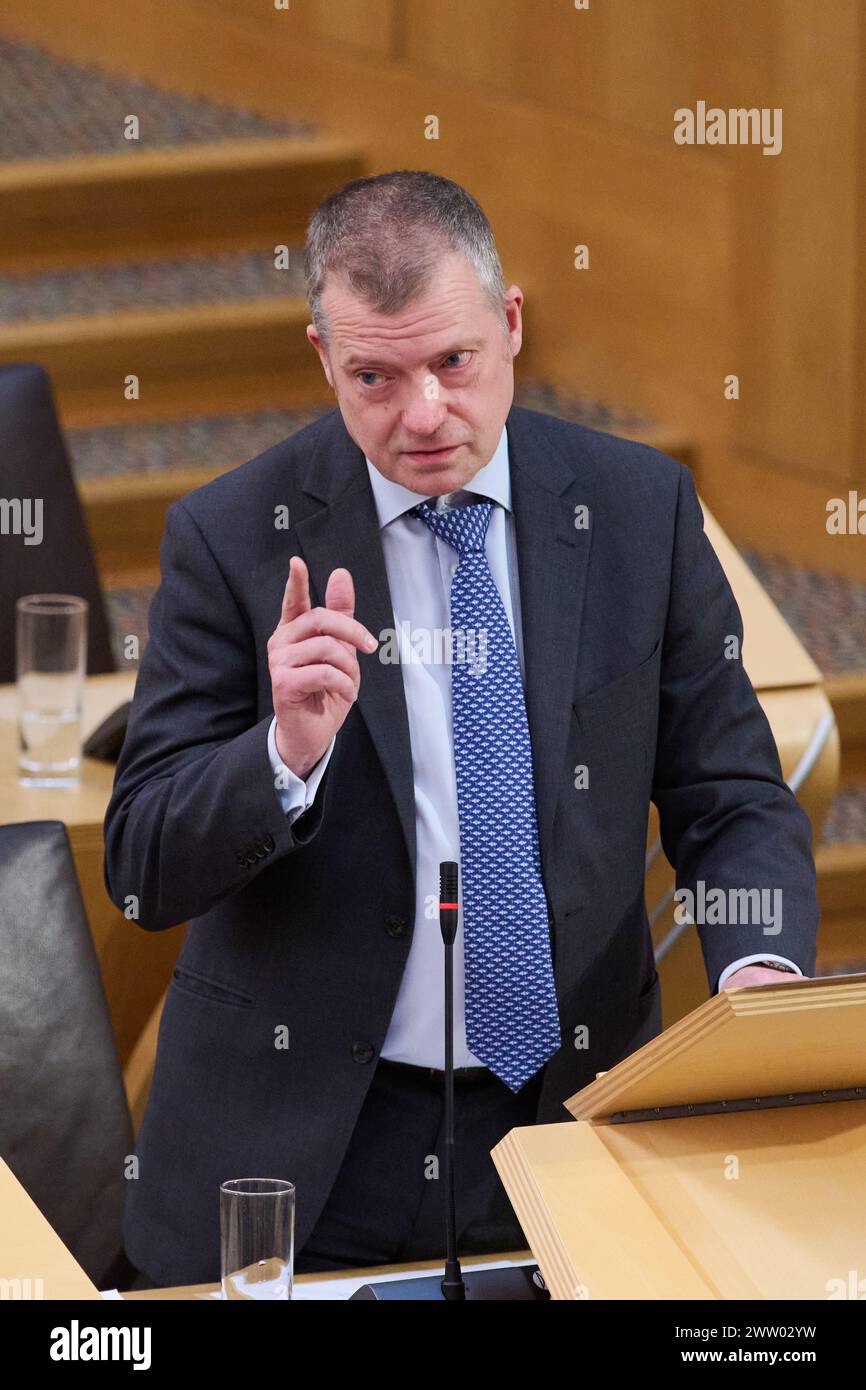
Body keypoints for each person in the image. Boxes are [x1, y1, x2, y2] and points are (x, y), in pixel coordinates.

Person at [103, 170, 818, 1288]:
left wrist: (758, 970)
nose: (422, 413)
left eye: (452, 363)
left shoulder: (638, 511)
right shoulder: (235, 534)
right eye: (373, 377)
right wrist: (281, 754)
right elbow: (142, 866)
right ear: (322, 360)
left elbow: (728, 793)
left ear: (512, 323)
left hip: (564, 1118)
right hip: (300, 1144)